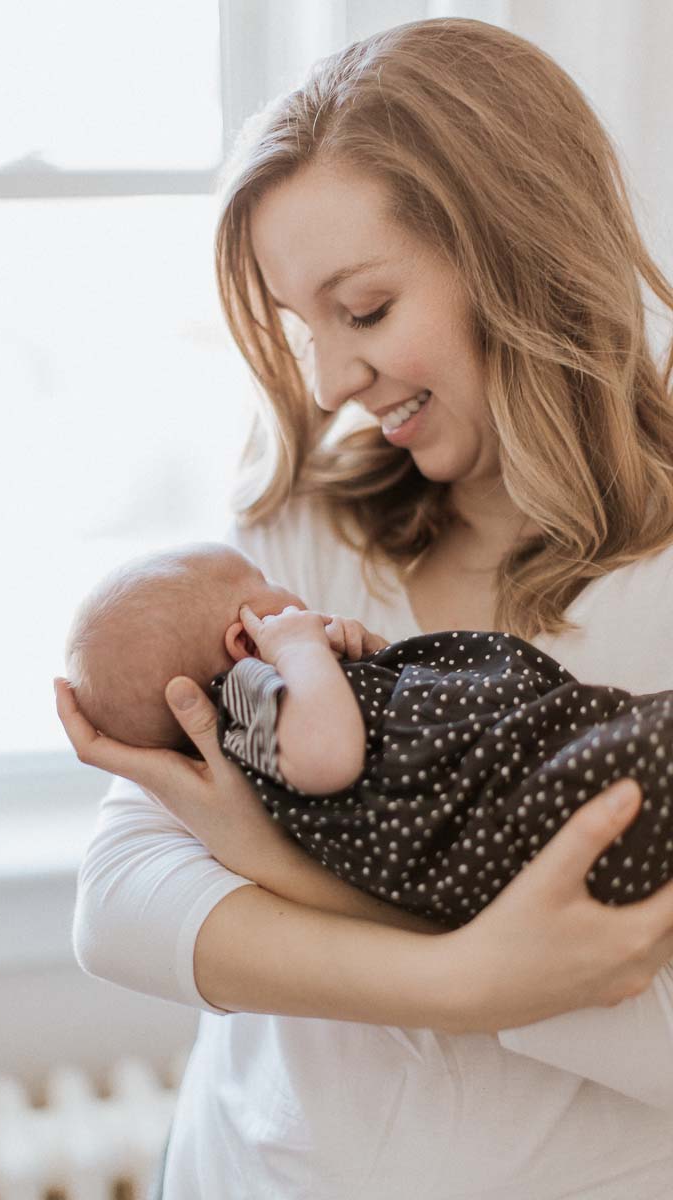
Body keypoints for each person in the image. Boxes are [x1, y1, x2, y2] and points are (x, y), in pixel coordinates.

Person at [56, 17, 673, 1199]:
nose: (332, 383)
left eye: (366, 310)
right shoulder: (298, 531)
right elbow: (124, 901)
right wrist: (472, 980)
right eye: (304, 326)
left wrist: (289, 884)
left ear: (519, 254)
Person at [64, 542, 673, 929]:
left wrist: (357, 658)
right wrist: (300, 649)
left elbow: (392, 722)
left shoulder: (278, 702)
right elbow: (331, 757)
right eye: (265, 581)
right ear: (247, 642)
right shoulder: (247, 704)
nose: (293, 598)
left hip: (534, 778)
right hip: (519, 808)